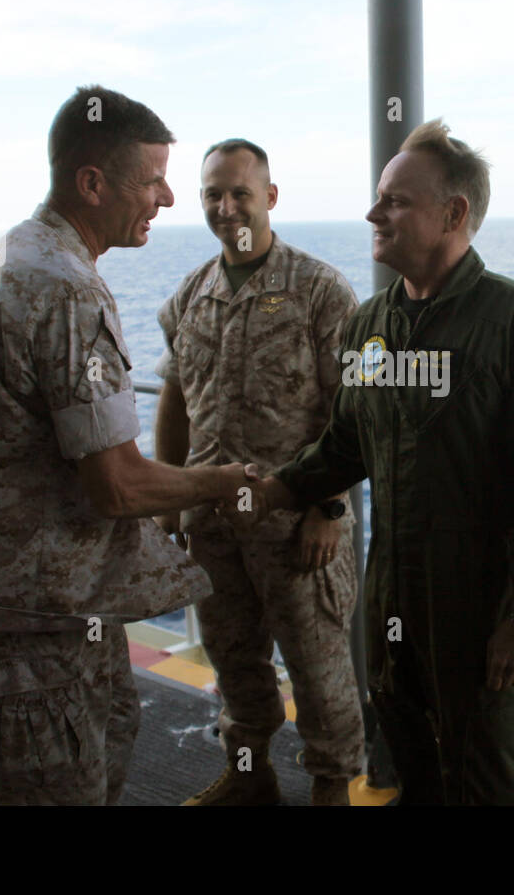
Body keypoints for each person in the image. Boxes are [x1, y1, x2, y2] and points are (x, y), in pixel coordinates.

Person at [235, 120, 514, 805]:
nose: (375, 213)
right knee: (415, 770)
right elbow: (345, 445)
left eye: (396, 201)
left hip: (480, 609)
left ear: (454, 214)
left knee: (494, 777)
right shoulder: (372, 324)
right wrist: (268, 491)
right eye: (379, 197)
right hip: (393, 603)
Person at [0, 86, 250, 805]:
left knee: (109, 737)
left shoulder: (5, 257)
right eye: (152, 179)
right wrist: (227, 481)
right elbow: (119, 487)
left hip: (32, 596)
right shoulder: (65, 287)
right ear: (92, 183)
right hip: (34, 612)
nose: (167, 198)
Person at [153, 139, 364, 806]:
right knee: (233, 660)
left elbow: (352, 412)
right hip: (212, 524)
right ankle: (251, 779)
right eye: (213, 193)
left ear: (269, 197)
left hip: (298, 523)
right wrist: (167, 506)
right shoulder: (191, 294)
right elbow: (176, 400)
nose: (226, 206)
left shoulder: (319, 289)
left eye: (240, 191)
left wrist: (328, 507)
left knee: (320, 673)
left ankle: (332, 788)